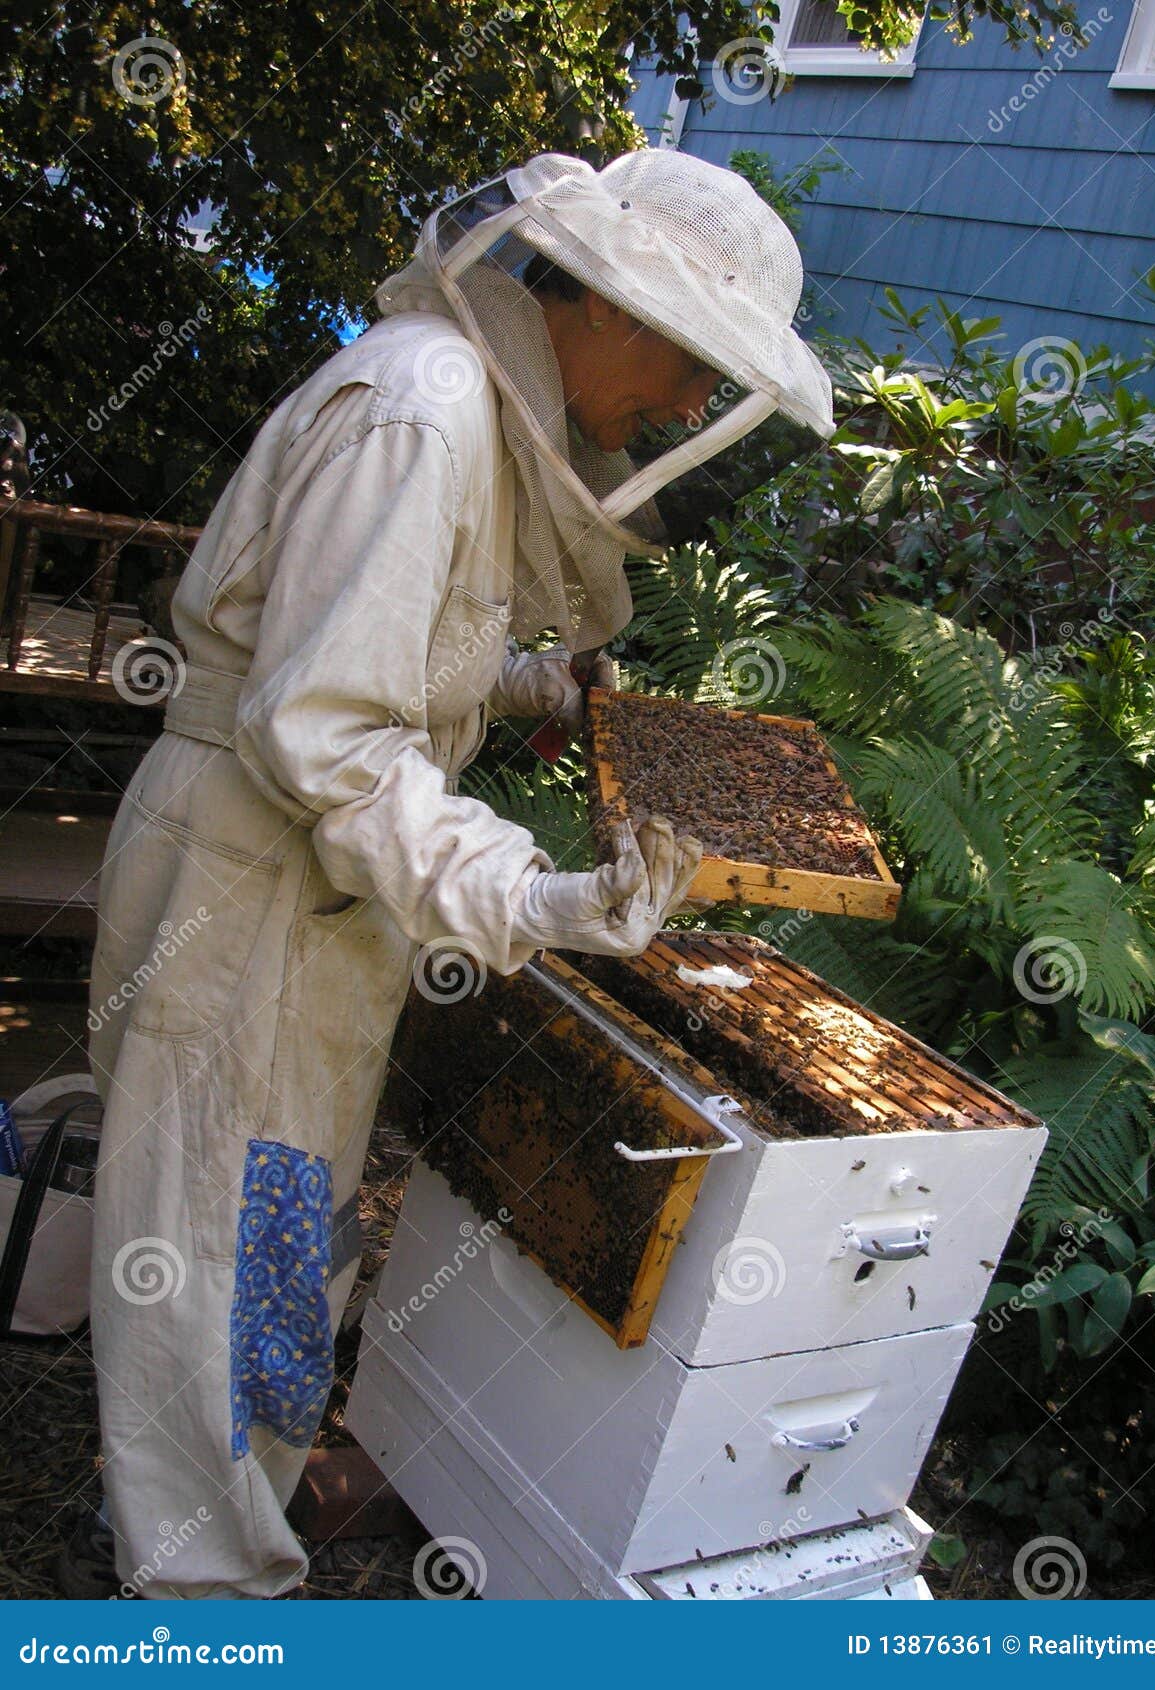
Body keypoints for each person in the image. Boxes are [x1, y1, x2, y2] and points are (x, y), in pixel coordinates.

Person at [65, 148, 833, 1599]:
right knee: (220, 1249)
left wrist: (540, 690)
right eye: (697, 364)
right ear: (609, 303)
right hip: (252, 886)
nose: (690, 408)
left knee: (280, 1212)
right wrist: (528, 895)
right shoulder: (421, 410)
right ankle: (203, 1600)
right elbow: (325, 731)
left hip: (310, 894)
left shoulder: (459, 412)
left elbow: (375, 646)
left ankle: (243, 1522)